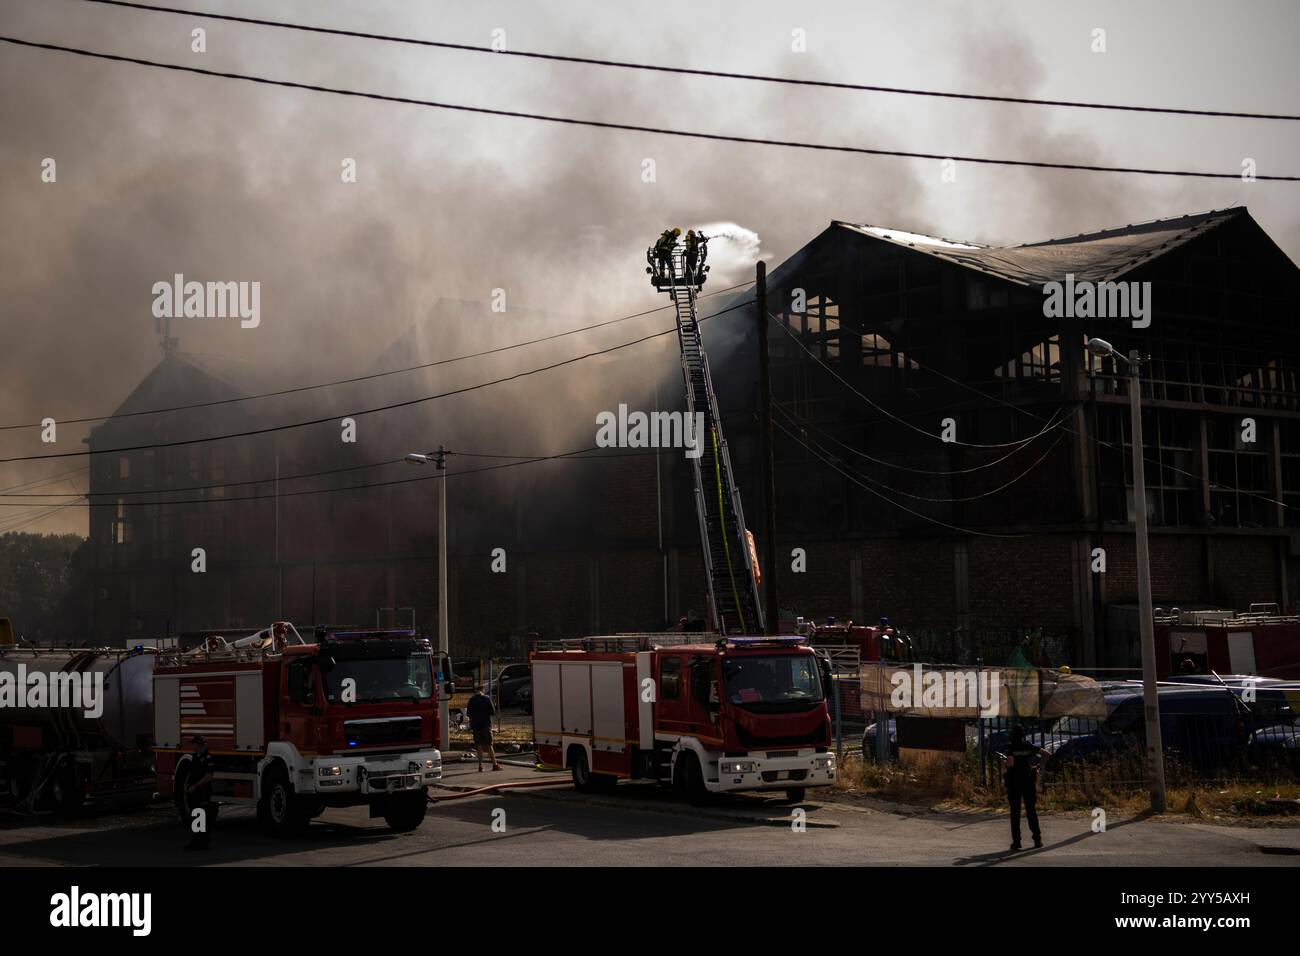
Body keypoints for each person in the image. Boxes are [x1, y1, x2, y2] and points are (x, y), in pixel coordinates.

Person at [996, 724, 1049, 851]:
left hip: (1014, 782)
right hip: (1028, 781)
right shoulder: (1028, 746)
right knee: (1031, 810)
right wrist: (1038, 767)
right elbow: (1046, 754)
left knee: (1015, 812)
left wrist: (1003, 761)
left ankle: (1017, 842)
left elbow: (1010, 764)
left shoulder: (1010, 747)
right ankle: (1037, 839)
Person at [184, 735, 216, 850]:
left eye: (193, 744)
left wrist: (195, 786)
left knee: (201, 817)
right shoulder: (196, 757)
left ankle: (201, 841)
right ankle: (197, 840)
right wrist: (188, 785)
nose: (192, 746)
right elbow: (193, 773)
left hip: (202, 792)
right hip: (194, 792)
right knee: (195, 816)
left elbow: (208, 776)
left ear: (198, 745)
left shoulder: (207, 758)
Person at [466, 685, 501, 772]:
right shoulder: (486, 698)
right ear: (483, 690)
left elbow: (468, 714)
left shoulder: (472, 700)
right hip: (485, 725)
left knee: (479, 746)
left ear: (475, 691)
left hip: (475, 725)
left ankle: (480, 766)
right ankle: (495, 765)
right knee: (489, 745)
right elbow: (492, 712)